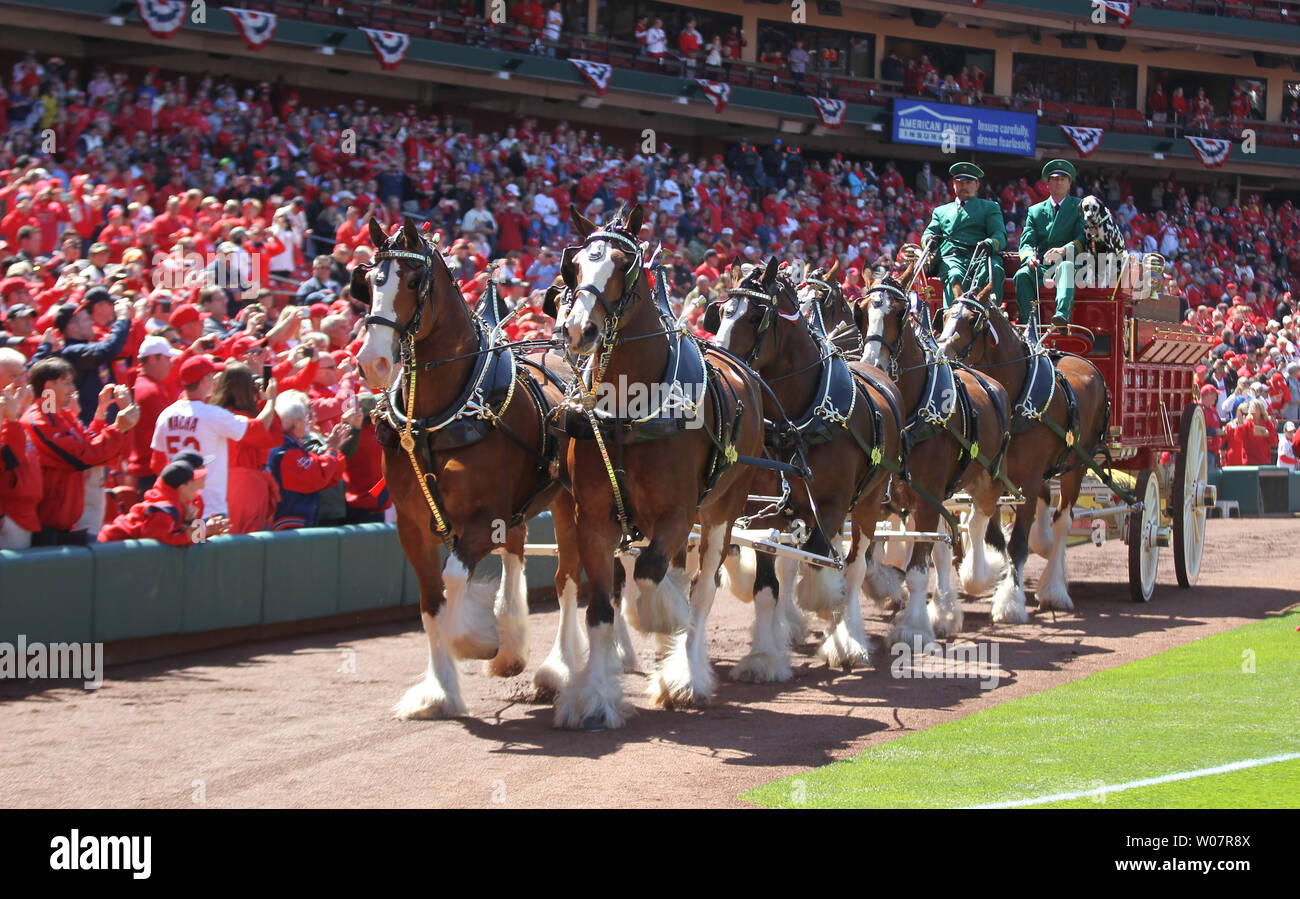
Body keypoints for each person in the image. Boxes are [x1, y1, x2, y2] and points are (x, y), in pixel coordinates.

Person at [22, 358, 140, 545]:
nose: (72, 390)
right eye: (66, 383)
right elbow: (84, 457)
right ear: (48, 386)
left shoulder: (60, 414)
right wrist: (118, 428)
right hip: (45, 524)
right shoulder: (38, 420)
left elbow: (89, 443)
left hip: (65, 521)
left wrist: (101, 414)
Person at [150, 355, 277, 522]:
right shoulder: (212, 414)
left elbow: (157, 465)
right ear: (203, 381)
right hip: (210, 509)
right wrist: (271, 400)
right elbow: (259, 427)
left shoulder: (166, 415)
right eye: (210, 376)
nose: (214, 380)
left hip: (180, 508)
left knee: (186, 545)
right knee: (211, 547)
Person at [211, 362, 284, 534]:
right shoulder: (238, 419)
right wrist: (269, 400)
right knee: (244, 543)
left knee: (218, 538)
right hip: (244, 485)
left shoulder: (214, 413)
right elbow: (268, 433)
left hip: (216, 482)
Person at [921, 162, 1007, 308]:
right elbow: (928, 233)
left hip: (981, 256)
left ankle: (988, 317)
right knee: (954, 274)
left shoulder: (990, 207)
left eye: (968, 182)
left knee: (994, 270)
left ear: (977, 185)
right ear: (953, 185)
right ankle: (952, 320)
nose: (964, 186)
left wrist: (990, 243)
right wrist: (929, 239)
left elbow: (1000, 235)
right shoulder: (941, 211)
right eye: (960, 182)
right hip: (953, 257)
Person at [1014, 159, 1085, 327]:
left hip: (1071, 262)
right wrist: (1029, 258)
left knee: (1065, 267)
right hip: (1044, 265)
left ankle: (1061, 315)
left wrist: (1064, 250)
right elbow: (1026, 242)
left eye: (1062, 179)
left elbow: (1084, 237)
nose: (1058, 182)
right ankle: (1030, 325)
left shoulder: (1080, 207)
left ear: (1069, 184)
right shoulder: (1035, 211)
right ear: (1047, 184)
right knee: (1021, 275)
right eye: (1054, 179)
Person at [265, 390, 349, 530]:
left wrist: (333, 451)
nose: (309, 423)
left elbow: (330, 476)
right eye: (306, 419)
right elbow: (318, 476)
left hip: (298, 518)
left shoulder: (293, 445)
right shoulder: (285, 450)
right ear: (296, 423)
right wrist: (332, 449)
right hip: (289, 521)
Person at [99, 457, 225, 546]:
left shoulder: (179, 505)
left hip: (119, 550)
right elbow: (155, 544)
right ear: (182, 487)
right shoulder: (164, 510)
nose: (198, 487)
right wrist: (202, 531)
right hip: (110, 547)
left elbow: (177, 538)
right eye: (193, 482)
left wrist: (205, 530)